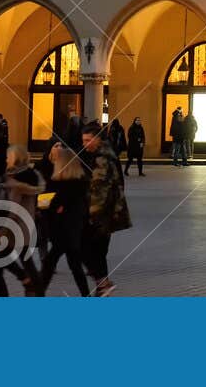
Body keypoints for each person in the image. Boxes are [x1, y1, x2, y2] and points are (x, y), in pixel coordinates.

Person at [0, 145, 43, 296]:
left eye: (9, 157)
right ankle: (34, 289)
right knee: (11, 264)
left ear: (16, 158)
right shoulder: (30, 175)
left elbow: (14, 209)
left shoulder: (16, 180)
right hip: (24, 227)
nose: (6, 160)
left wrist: (1, 231)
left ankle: (32, 288)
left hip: (15, 229)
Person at [80, 123, 131, 297]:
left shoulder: (102, 158)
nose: (85, 144)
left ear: (98, 139)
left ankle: (103, 283)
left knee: (84, 248)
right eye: (83, 140)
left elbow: (99, 190)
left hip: (102, 214)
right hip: (108, 213)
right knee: (99, 252)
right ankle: (102, 286)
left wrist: (91, 215)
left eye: (88, 140)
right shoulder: (101, 154)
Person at [38, 144, 90, 296]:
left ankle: (38, 295)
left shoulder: (63, 184)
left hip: (62, 231)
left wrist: (52, 205)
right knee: (73, 265)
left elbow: (48, 203)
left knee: (50, 263)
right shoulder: (79, 183)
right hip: (72, 231)